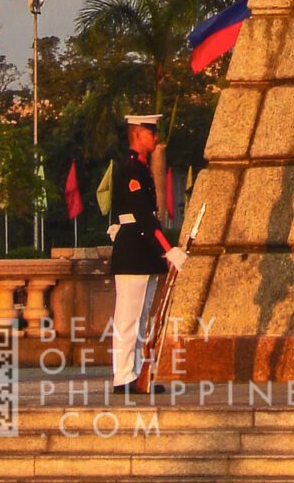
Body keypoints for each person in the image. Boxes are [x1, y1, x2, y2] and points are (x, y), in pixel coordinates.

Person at [108, 112, 185, 395]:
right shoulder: (131, 170)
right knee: (127, 318)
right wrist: (168, 249)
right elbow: (142, 216)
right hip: (133, 250)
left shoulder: (141, 168)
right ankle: (123, 376)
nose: (154, 137)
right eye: (150, 132)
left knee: (141, 319)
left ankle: (138, 374)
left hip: (141, 252)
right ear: (138, 134)